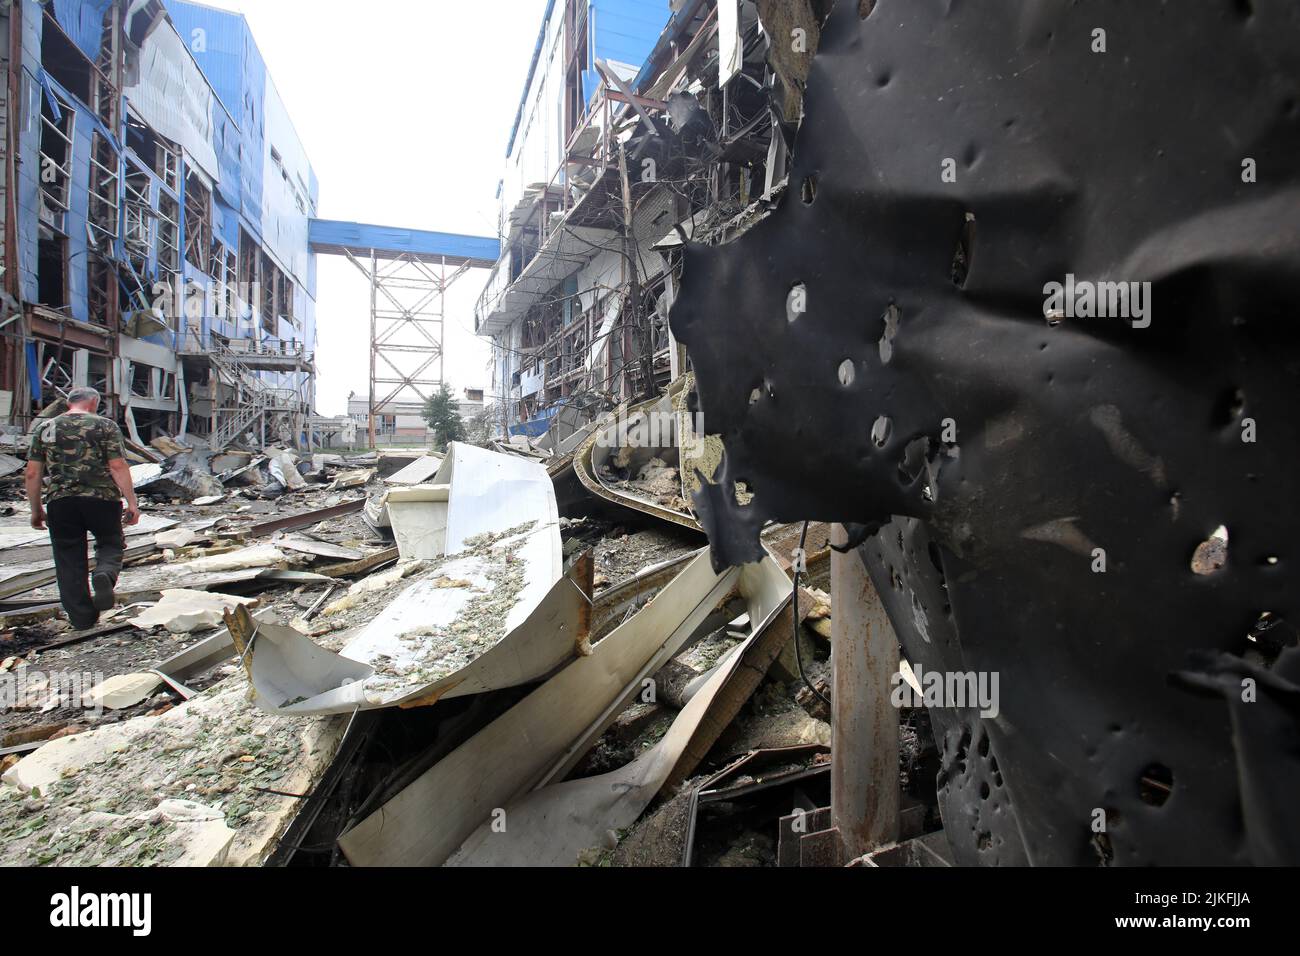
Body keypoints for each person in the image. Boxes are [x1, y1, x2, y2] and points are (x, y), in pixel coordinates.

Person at [24, 387, 141, 630]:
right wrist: (132, 502)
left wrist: (36, 509)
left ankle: (82, 618)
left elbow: (33, 472)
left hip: (61, 502)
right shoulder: (105, 426)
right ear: (93, 402)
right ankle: (105, 574)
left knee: (68, 559)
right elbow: (118, 466)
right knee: (111, 542)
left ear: (69, 403)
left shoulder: (46, 428)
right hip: (102, 499)